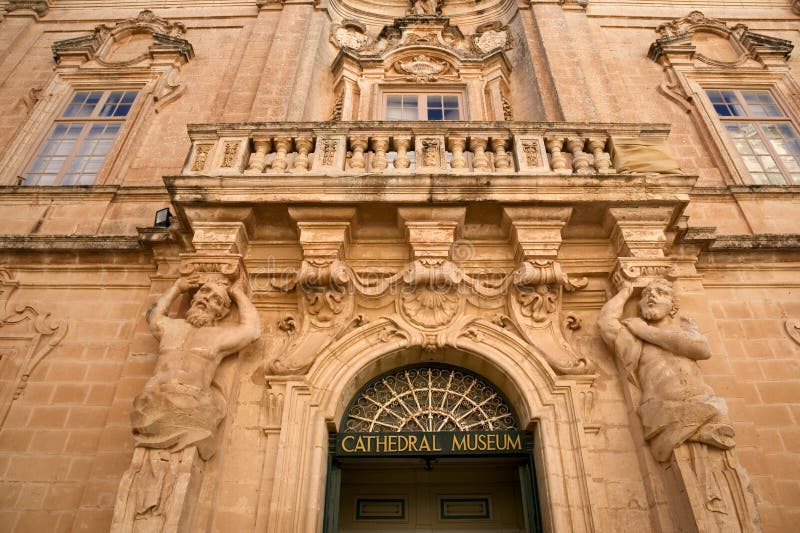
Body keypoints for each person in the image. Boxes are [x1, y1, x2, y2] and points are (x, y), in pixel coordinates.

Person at [598, 279, 735, 462]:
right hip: (663, 412)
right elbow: (605, 323)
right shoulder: (633, 340)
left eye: (660, 293)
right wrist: (624, 292)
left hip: (704, 403)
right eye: (646, 294)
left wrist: (644, 331)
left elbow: (702, 349)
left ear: (673, 307)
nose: (651, 296)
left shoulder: (682, 328)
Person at [131, 274, 261, 459]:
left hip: (192, 404)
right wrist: (177, 288)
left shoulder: (218, 336)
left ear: (222, 312)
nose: (207, 298)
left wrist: (237, 293)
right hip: (153, 402)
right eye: (204, 291)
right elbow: (153, 316)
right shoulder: (170, 327)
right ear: (194, 297)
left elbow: (252, 330)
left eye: (216, 299)